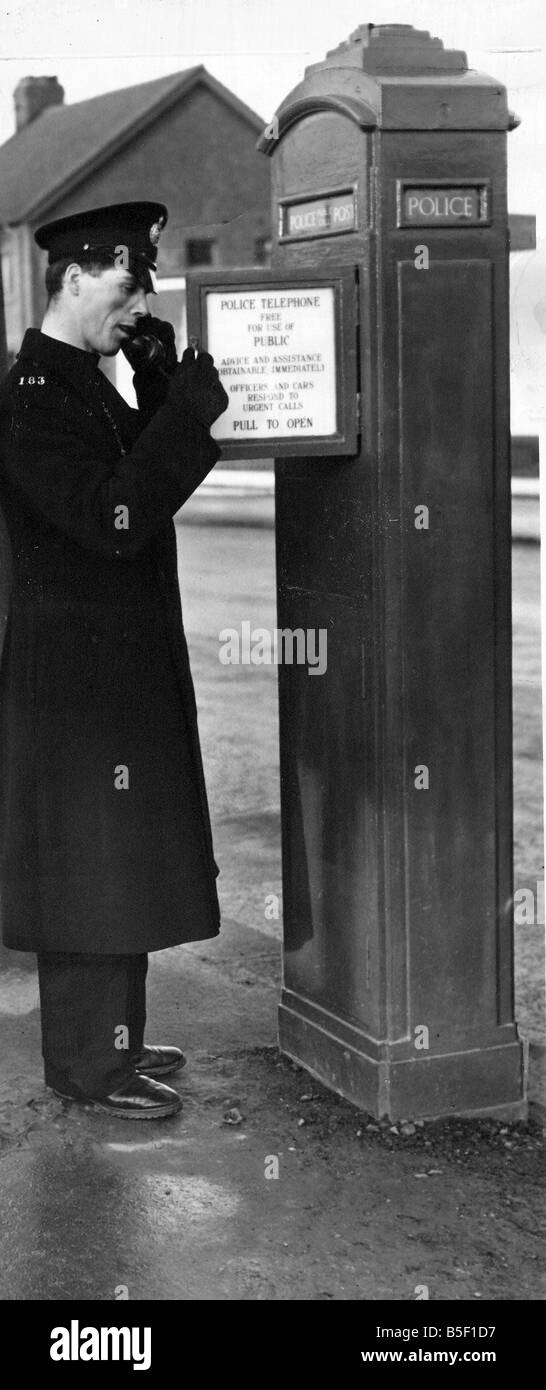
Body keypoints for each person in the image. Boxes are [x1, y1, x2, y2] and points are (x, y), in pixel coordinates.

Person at [0, 200, 228, 1119]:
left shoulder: (85, 385)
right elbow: (114, 520)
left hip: (111, 672)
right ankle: (88, 1066)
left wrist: (165, 394)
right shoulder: (31, 401)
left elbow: (147, 489)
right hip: (75, 687)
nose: (138, 305)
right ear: (74, 278)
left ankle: (117, 1045)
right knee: (89, 865)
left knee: (120, 859)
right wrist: (180, 422)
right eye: (129, 286)